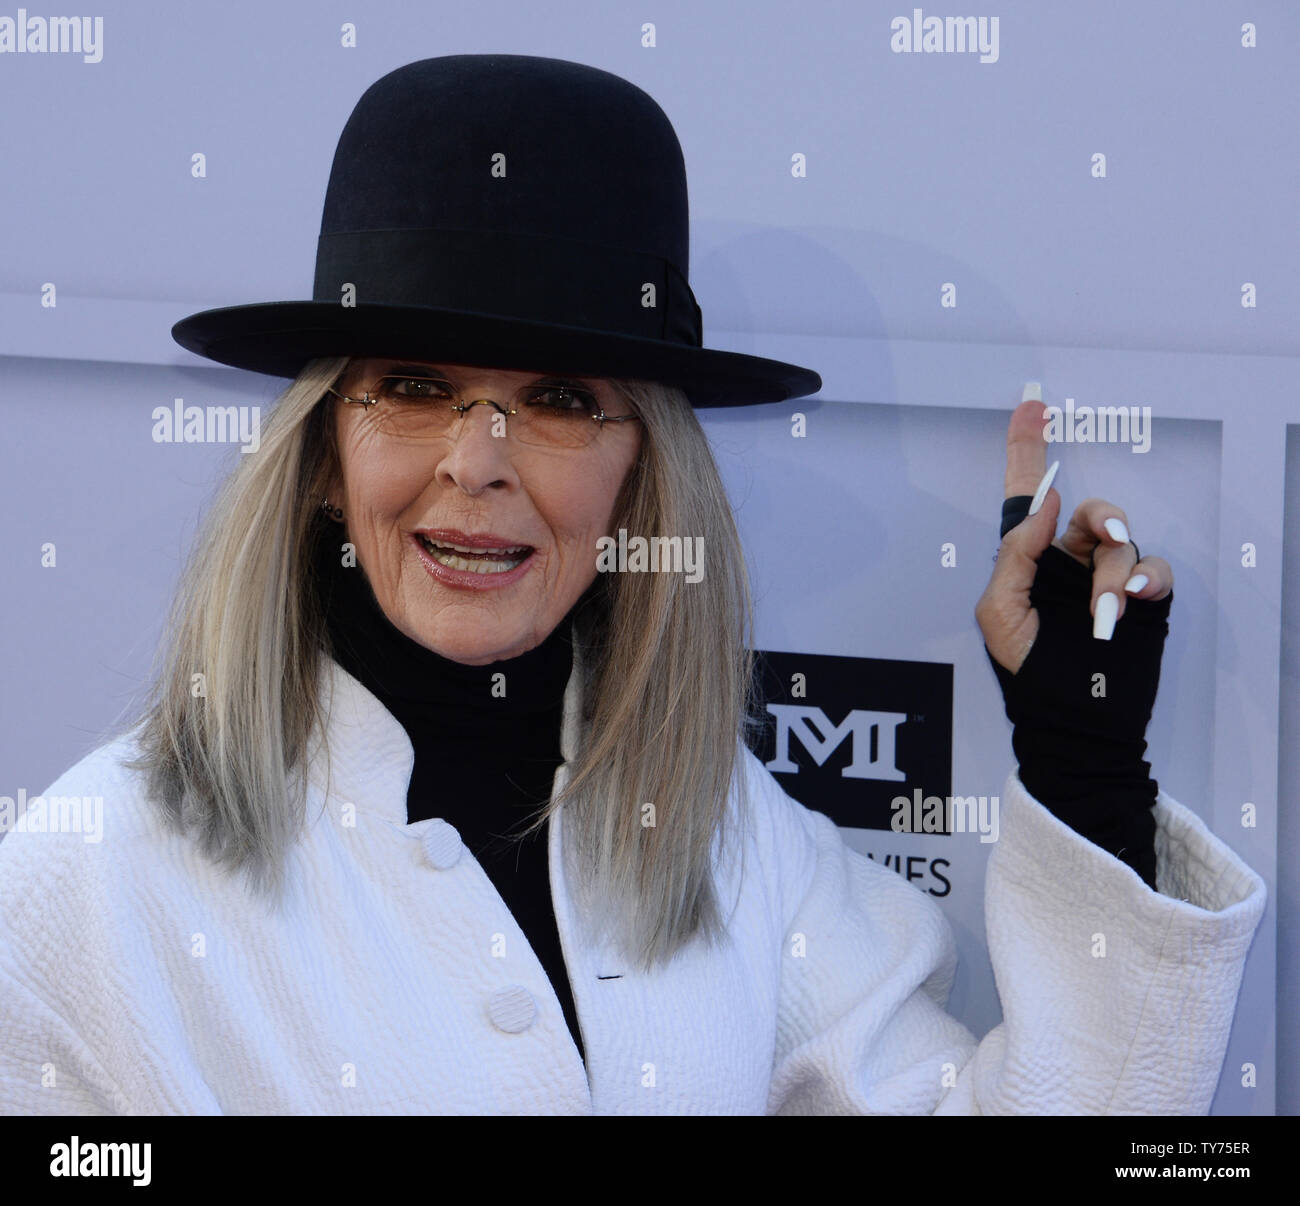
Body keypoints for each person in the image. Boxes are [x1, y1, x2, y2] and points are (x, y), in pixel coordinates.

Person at [0, 54, 1265, 1115]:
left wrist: (1083, 758)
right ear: (325, 456)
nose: (477, 465)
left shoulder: (716, 827)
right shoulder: (95, 876)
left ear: (640, 480)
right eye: (415, 389)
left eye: (558, 402)